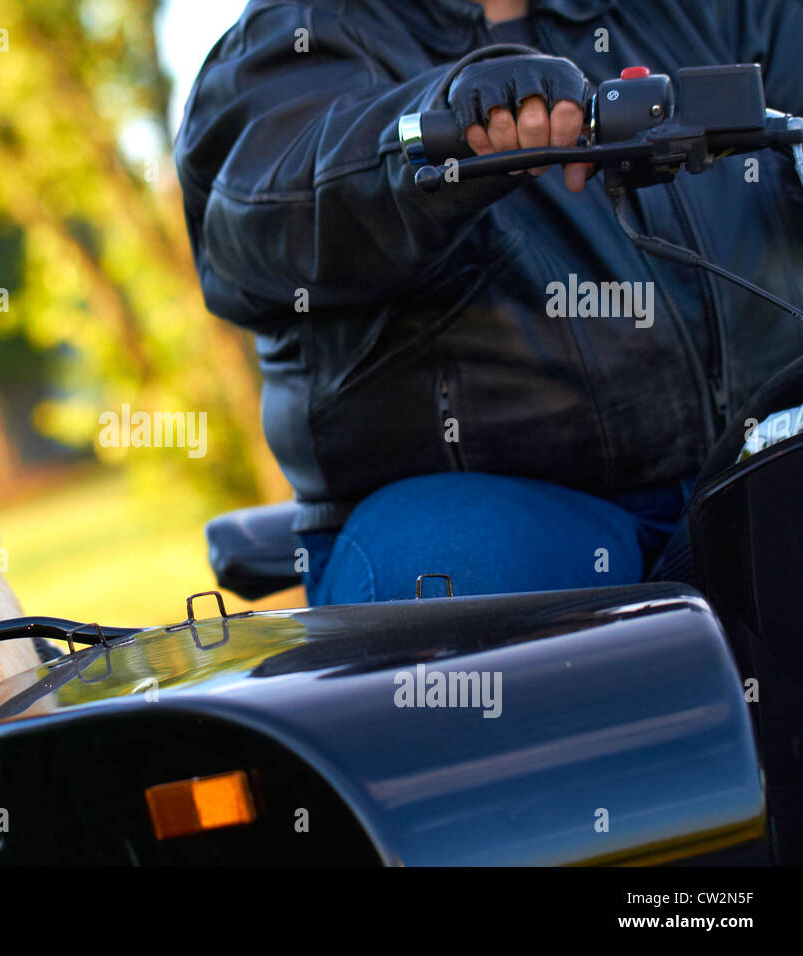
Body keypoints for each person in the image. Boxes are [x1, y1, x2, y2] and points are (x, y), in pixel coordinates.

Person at [174, 0, 803, 604]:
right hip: (481, 503)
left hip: (760, 450)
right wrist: (434, 133)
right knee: (455, 583)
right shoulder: (298, 29)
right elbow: (255, 222)